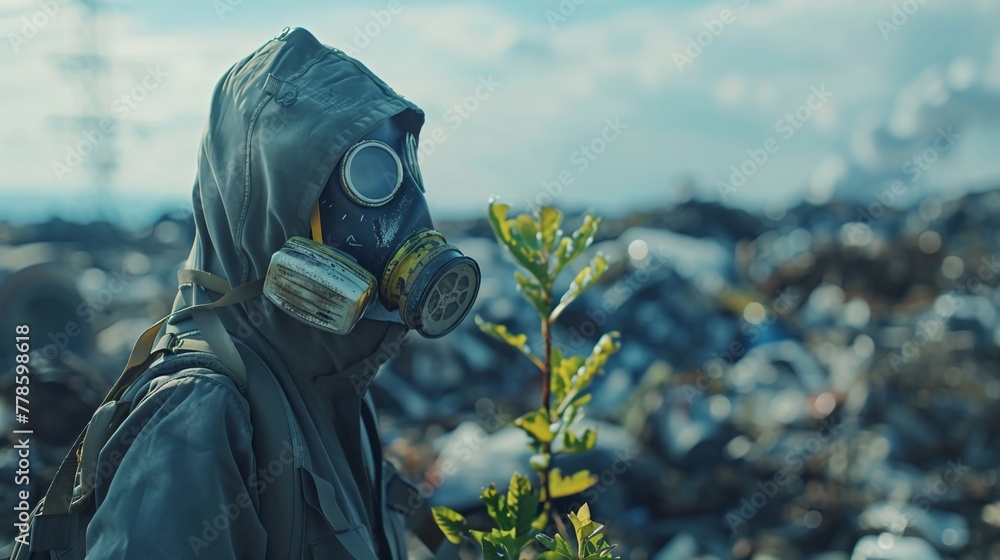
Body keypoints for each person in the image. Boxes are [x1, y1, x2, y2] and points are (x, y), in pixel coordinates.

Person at [19, 27, 480, 560]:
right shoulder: (198, 414)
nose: (406, 207)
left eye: (405, 167)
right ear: (273, 208)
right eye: (370, 177)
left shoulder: (328, 383)